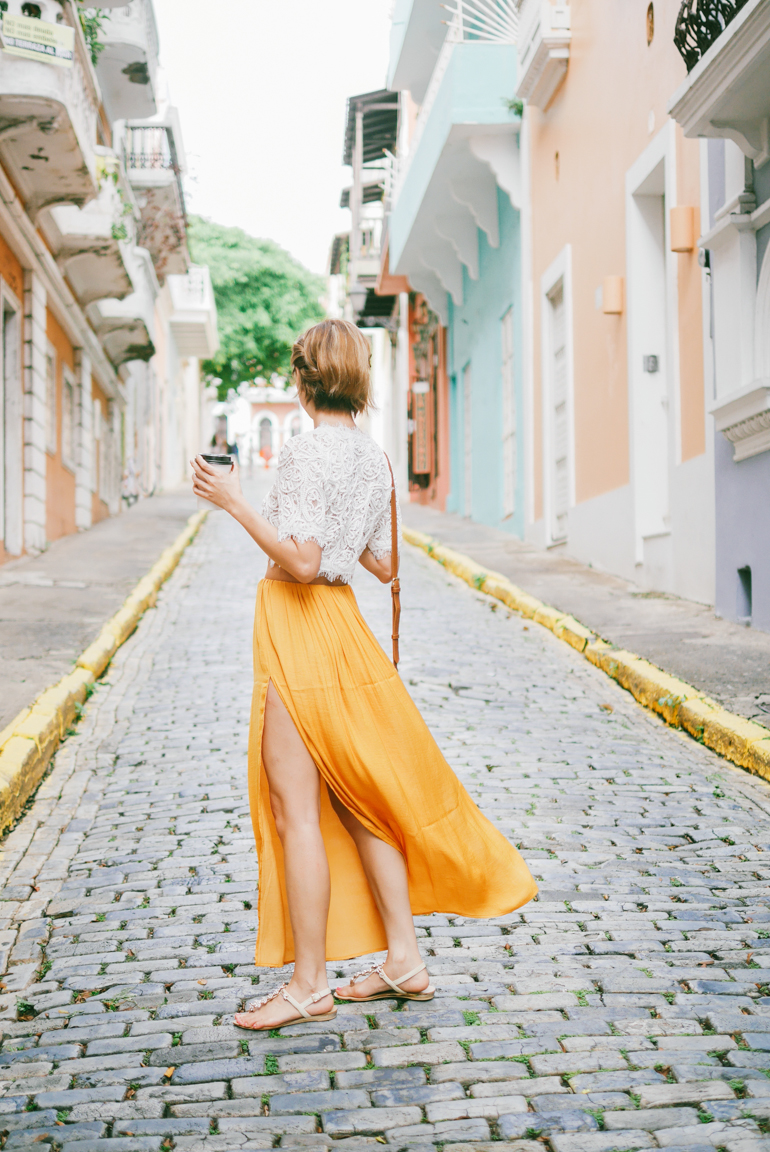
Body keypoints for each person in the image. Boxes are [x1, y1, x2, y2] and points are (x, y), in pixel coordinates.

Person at [190, 319, 536, 1031]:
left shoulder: (305, 453)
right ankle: (403, 959)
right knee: (357, 799)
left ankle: (310, 984)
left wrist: (233, 502)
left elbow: (305, 561)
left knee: (297, 809)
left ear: (304, 379)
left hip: (301, 622)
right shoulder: (373, 459)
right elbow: (381, 564)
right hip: (347, 629)